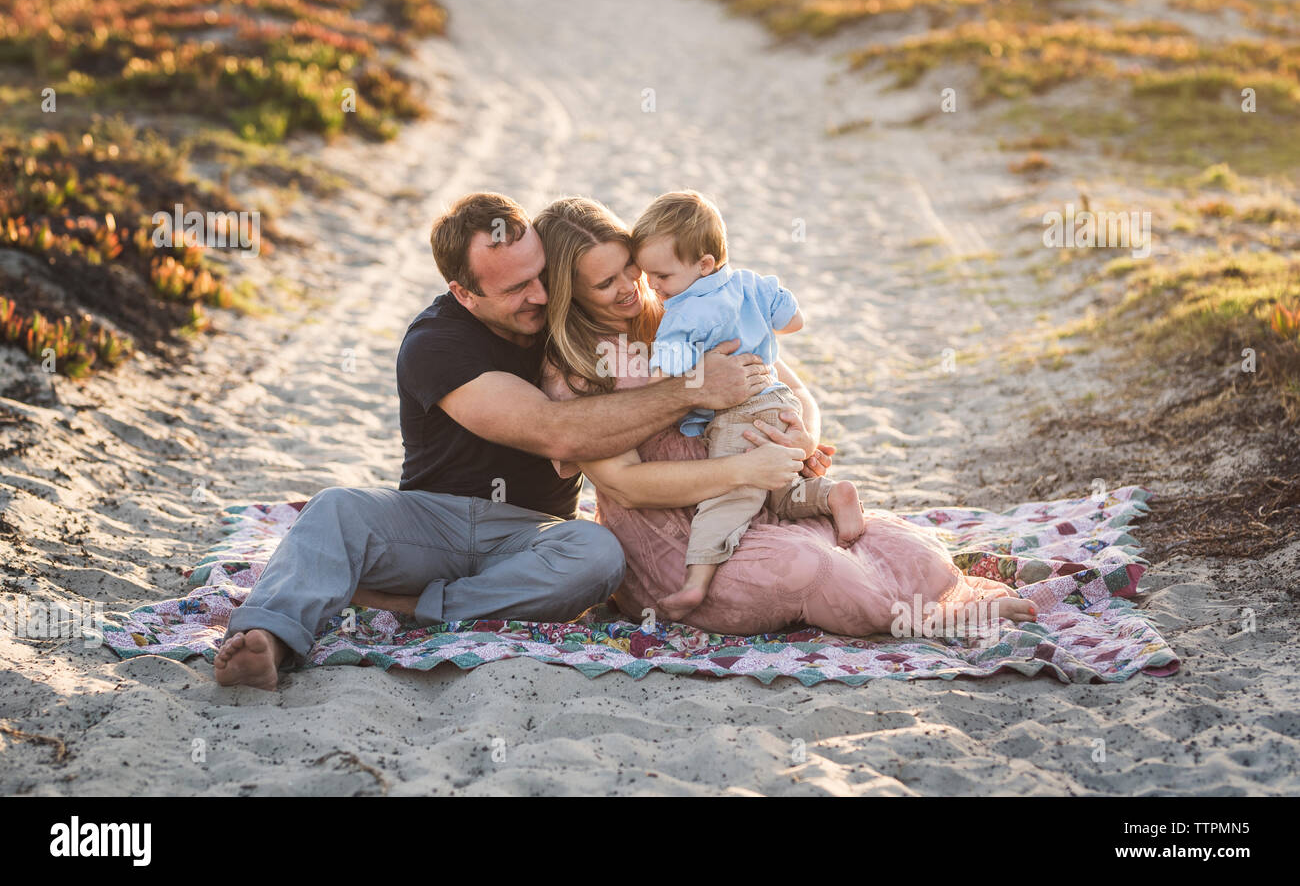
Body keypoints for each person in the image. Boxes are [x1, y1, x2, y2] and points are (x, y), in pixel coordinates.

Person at [214, 191, 799, 689]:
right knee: (335, 508)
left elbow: (770, 366)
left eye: (541, 276)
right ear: (465, 293)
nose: (540, 297)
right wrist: (691, 392)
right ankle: (266, 637)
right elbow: (555, 432)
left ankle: (411, 607)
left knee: (598, 555)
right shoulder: (436, 344)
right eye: (517, 288)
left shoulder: (571, 322)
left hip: (533, 533)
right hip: (430, 522)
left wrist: (793, 426)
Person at [535, 195, 1038, 638]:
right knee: (809, 567)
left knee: (905, 550)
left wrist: (800, 439)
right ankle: (918, 619)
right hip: (676, 547)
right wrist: (741, 471)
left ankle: (926, 598)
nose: (631, 288)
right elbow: (626, 486)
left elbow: (790, 385)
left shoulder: (678, 305)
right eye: (606, 283)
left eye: (632, 270)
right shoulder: (577, 368)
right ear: (569, 292)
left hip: (764, 504)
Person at [632, 190, 865, 619]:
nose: (653, 287)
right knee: (779, 490)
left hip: (737, 414)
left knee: (728, 499)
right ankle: (832, 495)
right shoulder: (750, 284)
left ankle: (695, 584)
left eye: (660, 277)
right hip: (778, 398)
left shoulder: (682, 313)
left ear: (703, 265)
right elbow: (794, 320)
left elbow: (666, 375)